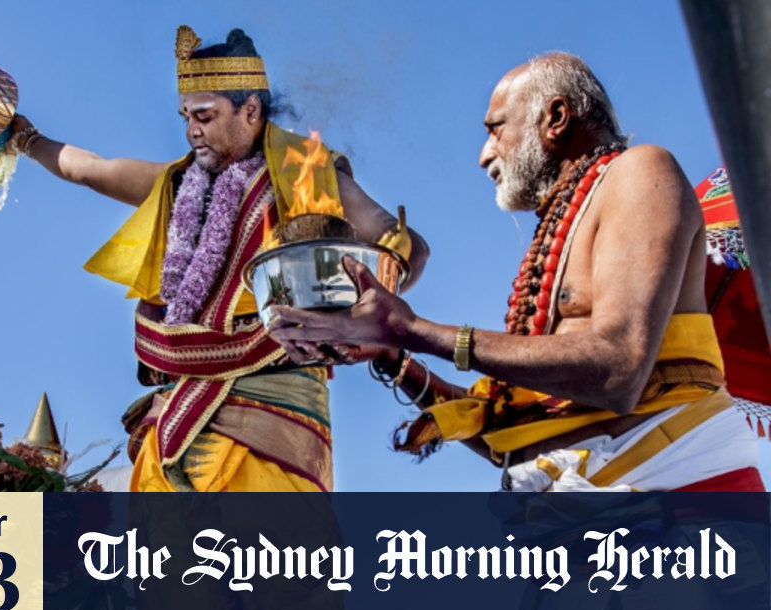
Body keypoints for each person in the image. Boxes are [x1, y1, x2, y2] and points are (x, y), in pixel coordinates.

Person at [267, 52, 764, 492]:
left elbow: (619, 370)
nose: (485, 155)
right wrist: (395, 357)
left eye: (495, 128)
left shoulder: (640, 171)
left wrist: (412, 328)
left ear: (556, 116)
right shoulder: (555, 232)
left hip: (682, 511)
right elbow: (511, 439)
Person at [10, 25, 428, 492]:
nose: (192, 130)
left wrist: (363, 315)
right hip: (176, 412)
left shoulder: (307, 174)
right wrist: (21, 138)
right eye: (185, 116)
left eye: (205, 116)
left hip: (272, 420)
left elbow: (405, 247)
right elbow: (90, 170)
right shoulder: (177, 183)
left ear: (250, 111)